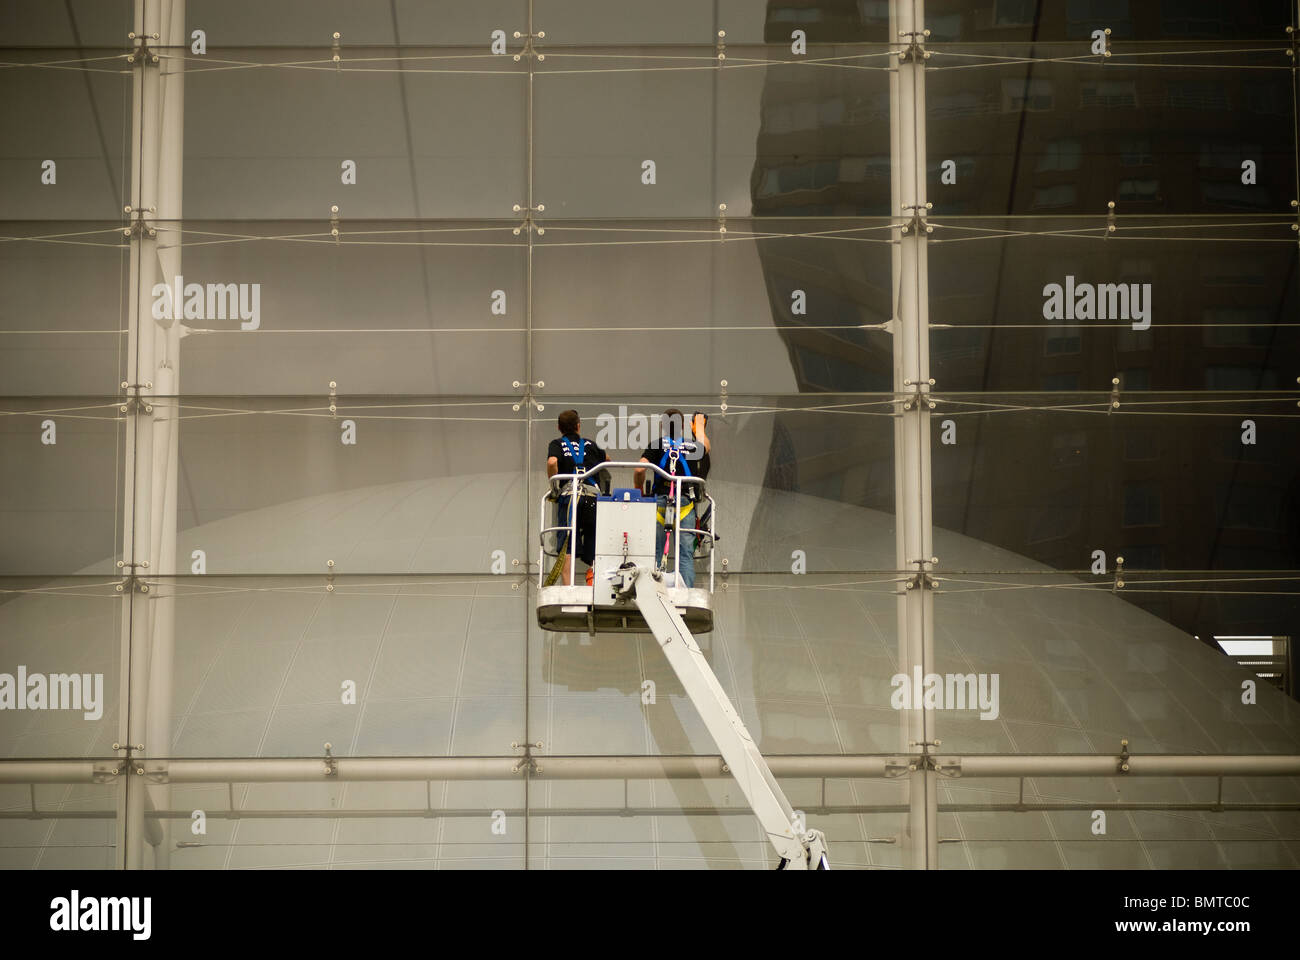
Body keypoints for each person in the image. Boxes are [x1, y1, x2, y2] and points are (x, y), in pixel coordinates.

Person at [633, 409, 710, 588]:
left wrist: (639, 489)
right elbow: (706, 447)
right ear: (682, 426)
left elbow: (639, 469)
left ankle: (656, 591)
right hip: (685, 504)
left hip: (660, 503)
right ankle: (686, 593)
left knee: (657, 551)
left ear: (663, 427)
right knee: (685, 554)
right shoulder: (692, 446)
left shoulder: (656, 445)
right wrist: (699, 428)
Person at [546, 409, 607, 586]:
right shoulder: (590, 444)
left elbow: (552, 462)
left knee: (567, 540)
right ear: (578, 426)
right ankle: (595, 583)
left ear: (559, 427)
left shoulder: (556, 444)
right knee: (593, 538)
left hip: (570, 497)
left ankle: (568, 586)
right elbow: (607, 460)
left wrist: (553, 483)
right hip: (592, 498)